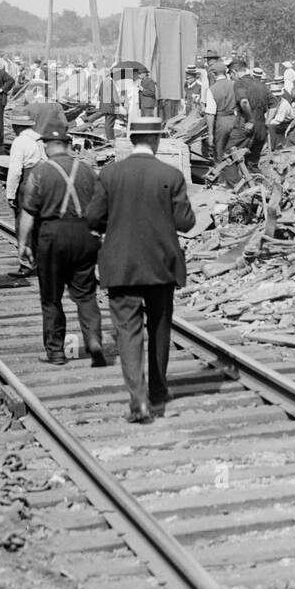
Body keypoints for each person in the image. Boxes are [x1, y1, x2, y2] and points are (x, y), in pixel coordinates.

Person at [85, 117, 195, 424]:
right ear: (157, 140)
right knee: (160, 329)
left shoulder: (110, 173)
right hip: (161, 265)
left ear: (132, 139)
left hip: (121, 265)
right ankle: (159, 390)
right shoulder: (170, 175)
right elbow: (186, 222)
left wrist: (118, 222)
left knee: (128, 332)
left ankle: (138, 400)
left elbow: (93, 218)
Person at [18, 119, 108, 368]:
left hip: (52, 235)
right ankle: (93, 341)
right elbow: (101, 206)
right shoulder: (88, 170)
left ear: (47, 146)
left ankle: (56, 352)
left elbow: (28, 212)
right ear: (67, 145)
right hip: (85, 235)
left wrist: (23, 244)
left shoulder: (40, 172)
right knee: (86, 294)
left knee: (51, 297)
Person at [5, 114, 44, 275]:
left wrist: (10, 194)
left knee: (23, 223)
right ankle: (41, 261)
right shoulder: (41, 139)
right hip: (44, 181)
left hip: (27, 182)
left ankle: (26, 263)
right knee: (40, 223)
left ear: (16, 126)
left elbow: (14, 171)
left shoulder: (19, 142)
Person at [232, 63, 270, 169]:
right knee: (252, 163)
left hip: (247, 128)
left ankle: (234, 184)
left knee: (232, 158)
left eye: (231, 75)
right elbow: (274, 105)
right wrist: (267, 122)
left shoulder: (239, 84)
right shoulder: (261, 85)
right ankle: (257, 183)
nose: (231, 78)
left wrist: (251, 120)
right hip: (261, 129)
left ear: (234, 72)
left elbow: (244, 101)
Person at [207, 61, 238, 162]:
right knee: (235, 151)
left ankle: (222, 175)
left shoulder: (212, 89)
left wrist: (210, 134)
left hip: (221, 122)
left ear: (213, 74)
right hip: (235, 120)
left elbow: (210, 113)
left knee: (219, 152)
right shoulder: (234, 85)